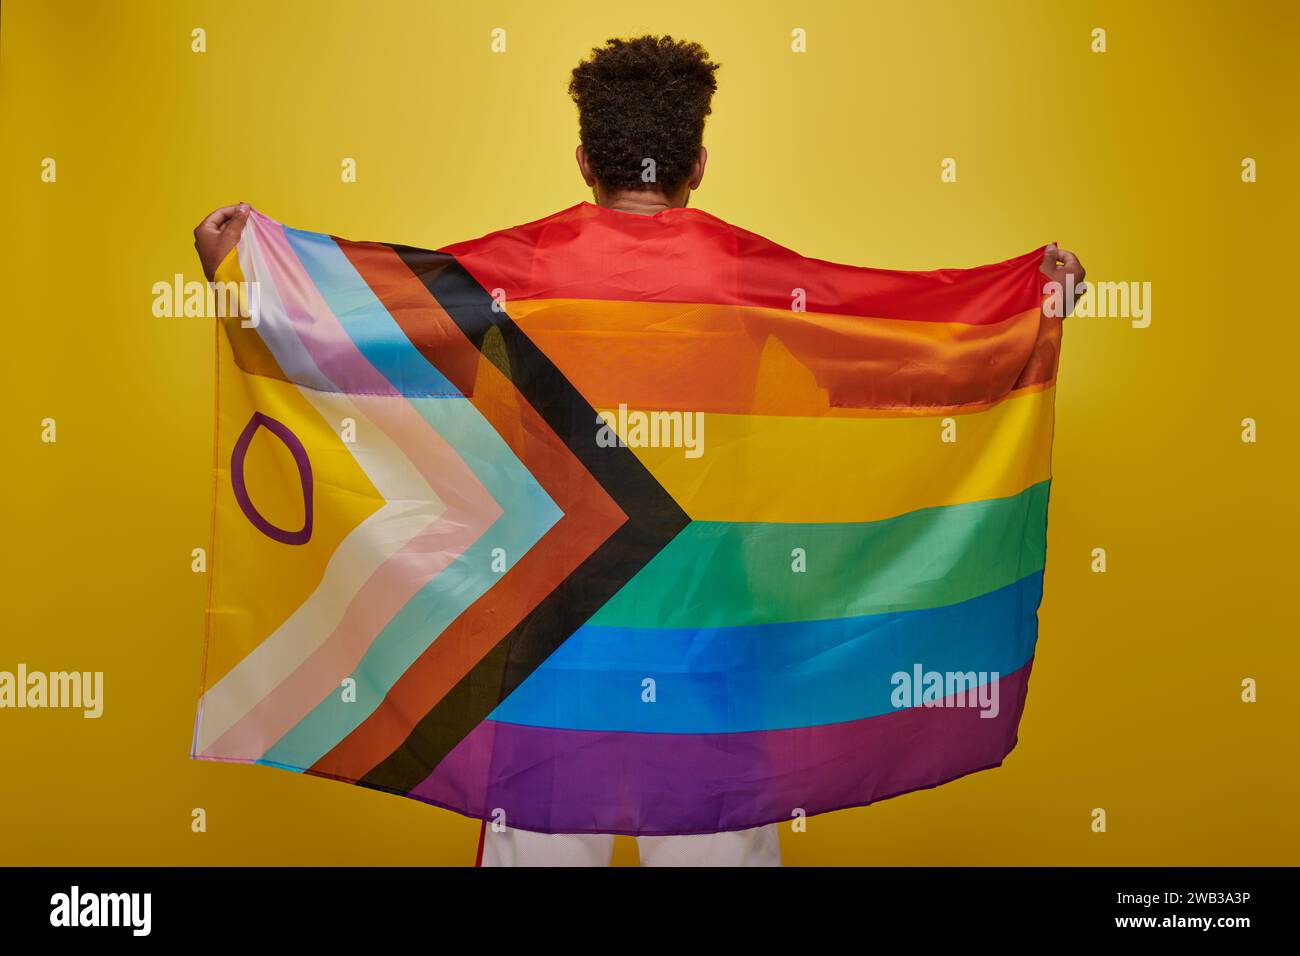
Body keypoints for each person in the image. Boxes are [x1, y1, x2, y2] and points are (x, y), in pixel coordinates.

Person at [193, 35, 1084, 867]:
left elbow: (356, 332)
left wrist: (242, 267)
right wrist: (1033, 311)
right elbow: (898, 354)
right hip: (714, 664)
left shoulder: (507, 272)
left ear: (585, 163)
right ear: (697, 164)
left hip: (544, 654)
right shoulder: (747, 275)